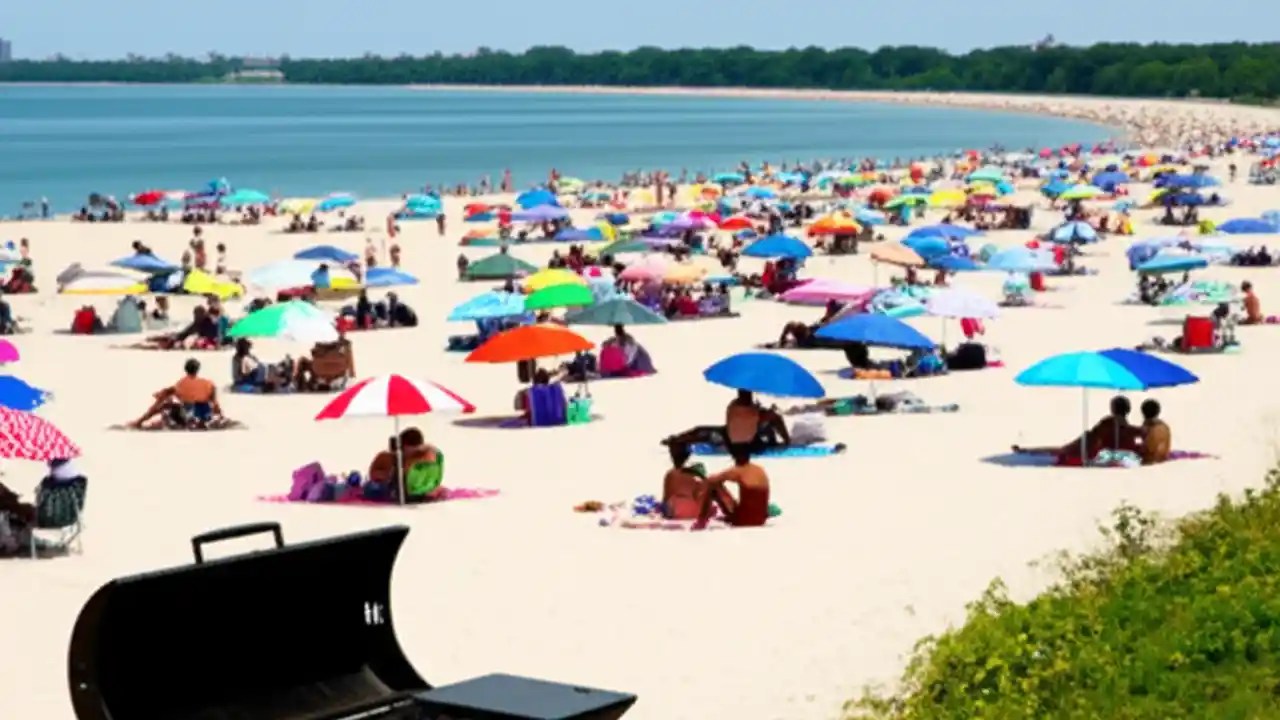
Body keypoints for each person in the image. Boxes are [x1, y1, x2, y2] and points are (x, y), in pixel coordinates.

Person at [1013, 395, 1139, 465]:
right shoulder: (1127, 427)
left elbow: (1096, 437)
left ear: (1113, 409)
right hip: (1099, 449)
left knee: (1059, 451)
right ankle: (1027, 450)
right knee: (1059, 450)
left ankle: (1027, 450)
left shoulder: (1109, 422)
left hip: (1092, 449)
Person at [693, 443, 770, 529]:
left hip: (745, 520)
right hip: (760, 519)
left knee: (713, 487)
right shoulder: (759, 469)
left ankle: (702, 520)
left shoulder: (737, 471)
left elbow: (712, 480)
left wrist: (697, 490)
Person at [130, 358, 223, 429]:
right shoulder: (209, 384)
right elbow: (215, 404)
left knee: (165, 403)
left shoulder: (181, 384)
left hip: (189, 417)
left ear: (185, 369)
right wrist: (220, 417)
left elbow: (164, 396)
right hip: (205, 415)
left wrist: (160, 395)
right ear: (198, 369)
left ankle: (139, 422)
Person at [661, 441, 709, 520]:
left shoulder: (671, 474)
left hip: (677, 508)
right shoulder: (695, 473)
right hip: (693, 509)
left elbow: (666, 497)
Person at [1136, 399, 1171, 465]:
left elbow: (1149, 448)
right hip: (1163, 456)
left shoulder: (1148, 427)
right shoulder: (1164, 425)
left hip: (1152, 459)